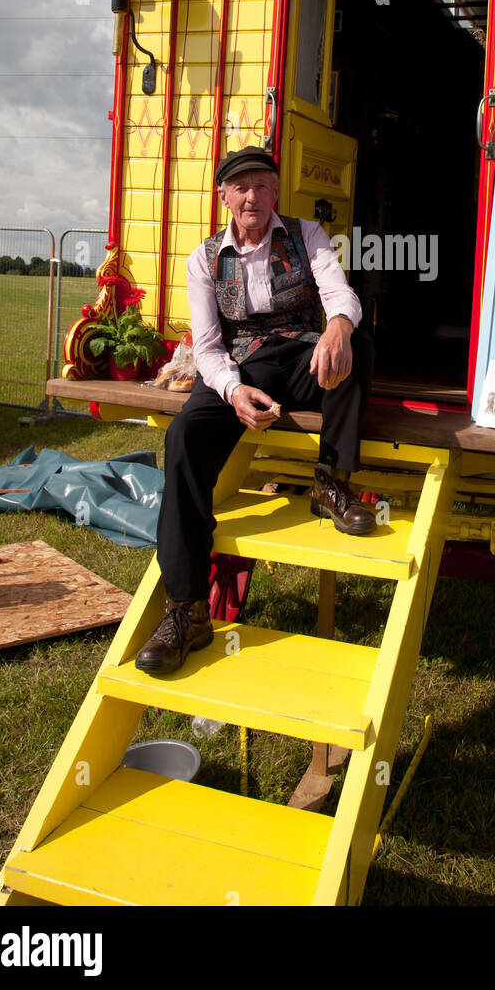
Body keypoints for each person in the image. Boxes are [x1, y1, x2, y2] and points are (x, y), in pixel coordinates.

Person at [135, 146, 375, 676]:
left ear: (275, 192)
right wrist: (233, 390)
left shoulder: (307, 234)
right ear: (224, 196)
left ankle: (331, 484)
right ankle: (186, 610)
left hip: (305, 354)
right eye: (241, 187)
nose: (252, 197)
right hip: (244, 365)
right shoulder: (203, 258)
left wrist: (338, 326)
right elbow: (207, 346)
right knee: (184, 437)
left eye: (261, 186)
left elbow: (340, 292)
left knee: (356, 345)